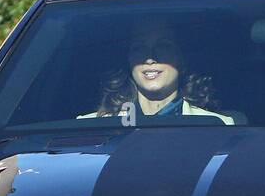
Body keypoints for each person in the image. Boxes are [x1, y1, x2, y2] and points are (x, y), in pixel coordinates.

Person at [80, 20, 233, 123]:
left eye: (163, 46)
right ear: (128, 59)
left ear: (181, 57)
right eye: (139, 48)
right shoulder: (91, 126)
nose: (150, 57)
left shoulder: (217, 125)